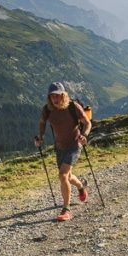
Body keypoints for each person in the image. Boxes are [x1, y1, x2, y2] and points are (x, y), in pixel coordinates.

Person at [35, 82, 92, 221]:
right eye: (52, 96)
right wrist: (40, 137)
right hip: (60, 147)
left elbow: (87, 123)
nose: (55, 99)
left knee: (63, 175)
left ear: (63, 95)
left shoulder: (73, 106)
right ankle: (81, 186)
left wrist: (84, 135)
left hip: (74, 145)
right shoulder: (47, 109)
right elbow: (42, 122)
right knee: (68, 176)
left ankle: (66, 210)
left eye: (58, 95)